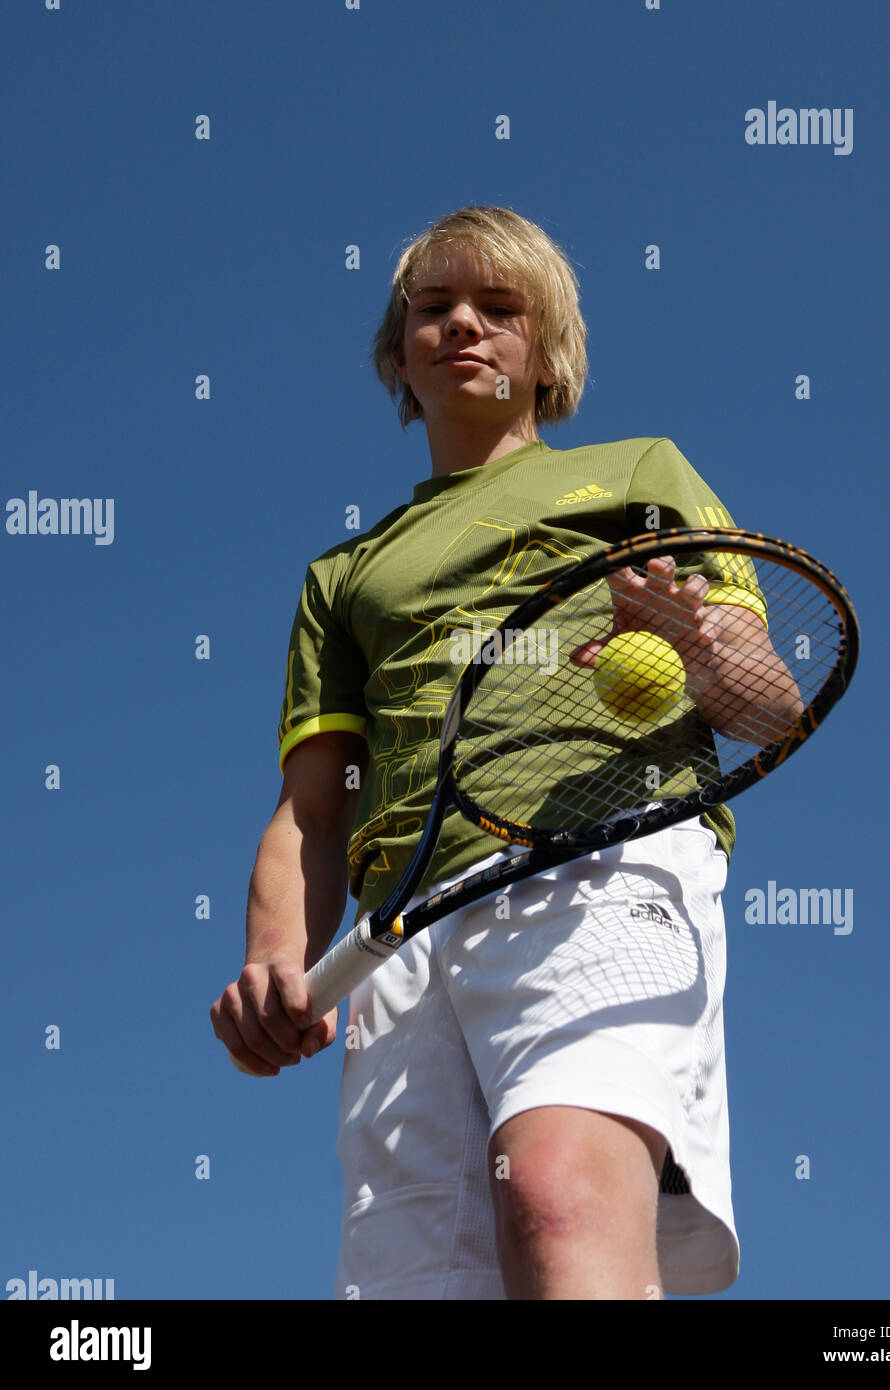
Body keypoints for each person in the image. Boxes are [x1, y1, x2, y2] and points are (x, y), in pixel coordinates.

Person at [211, 205, 773, 1300]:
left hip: (599, 866)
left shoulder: (638, 472)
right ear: (399, 354)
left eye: (499, 307)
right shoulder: (344, 574)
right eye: (435, 307)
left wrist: (694, 639)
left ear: (546, 353)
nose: (463, 324)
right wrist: (279, 958)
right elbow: (313, 808)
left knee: (556, 1195)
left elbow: (773, 702)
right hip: (399, 934)